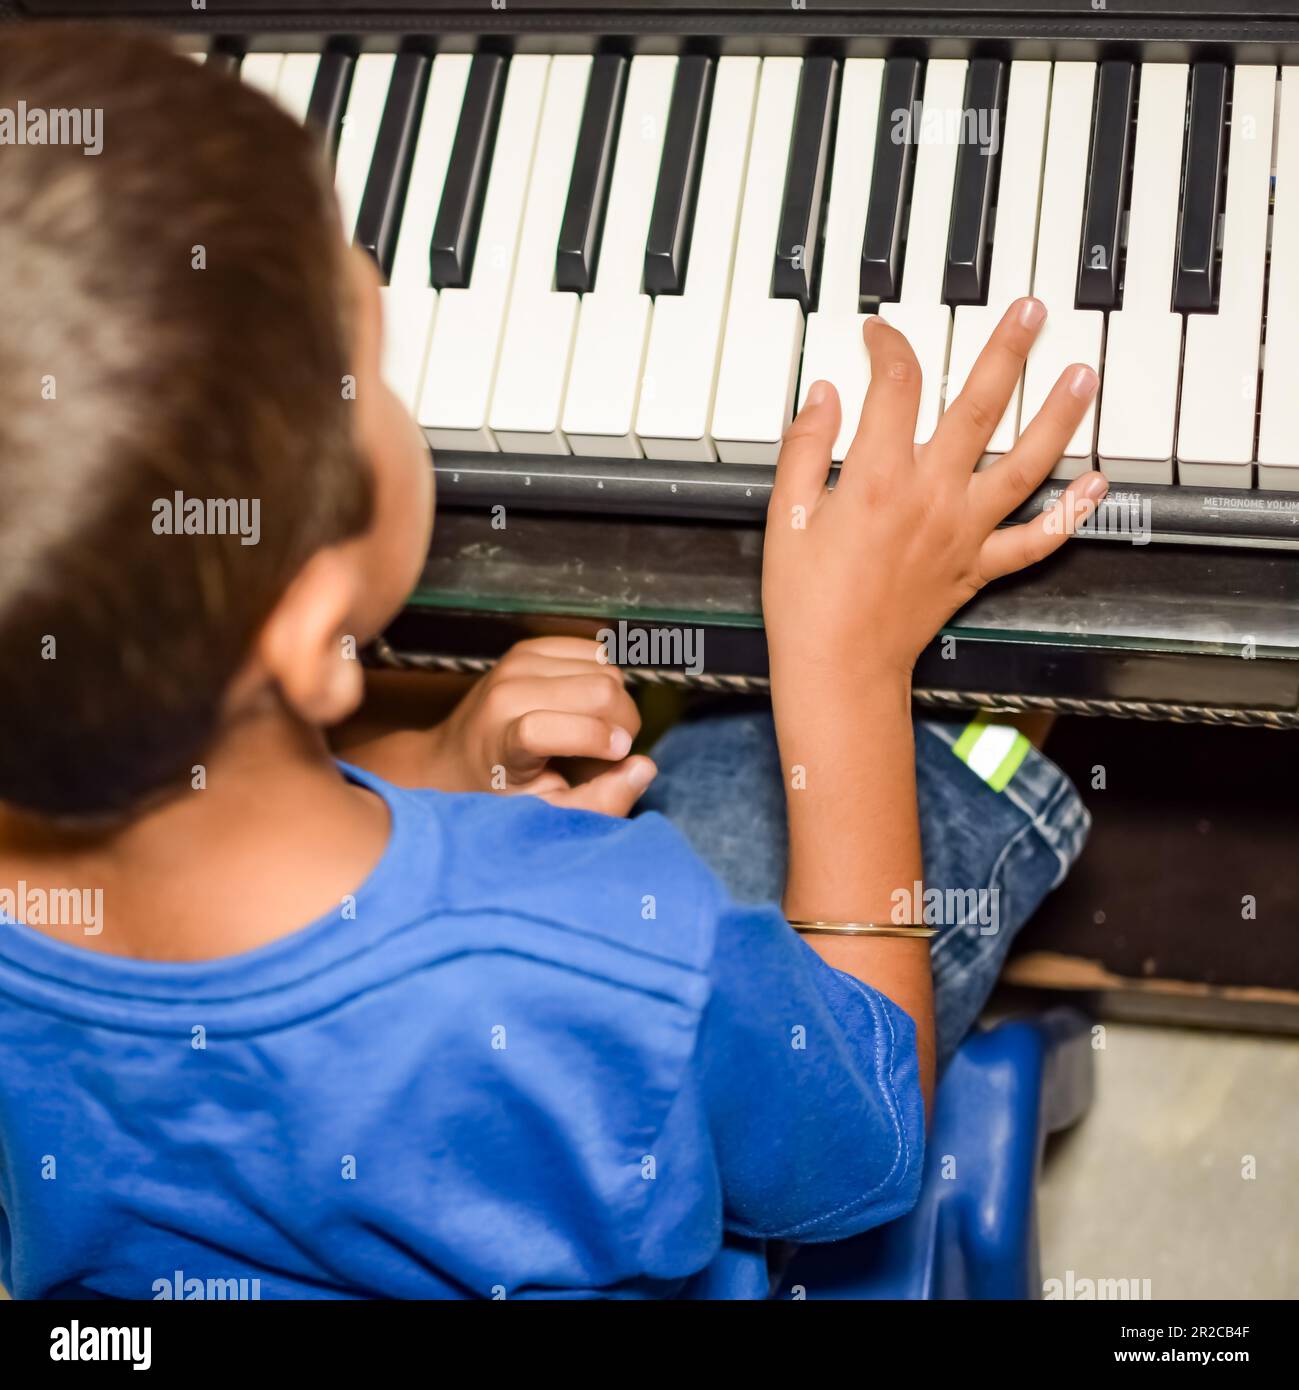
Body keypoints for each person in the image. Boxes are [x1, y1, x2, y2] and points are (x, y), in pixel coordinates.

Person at [0, 29, 1105, 1299]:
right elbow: (858, 1140)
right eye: (365, 375)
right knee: (793, 774)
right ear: (310, 639)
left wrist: (434, 769)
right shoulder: (619, 952)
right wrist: (847, 672)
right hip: (745, 1140)